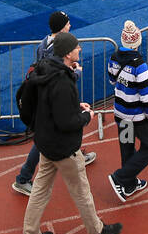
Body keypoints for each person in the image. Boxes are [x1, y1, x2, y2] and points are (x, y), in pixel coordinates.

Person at [20, 32, 122, 234]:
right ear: (68, 53)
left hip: (44, 142)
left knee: (39, 189)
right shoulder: (63, 82)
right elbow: (66, 122)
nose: (80, 50)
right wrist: (86, 116)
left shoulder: (45, 70)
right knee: (82, 192)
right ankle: (97, 232)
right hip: (63, 148)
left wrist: (76, 106)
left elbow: (52, 107)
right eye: (77, 48)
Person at [13, 11, 95, 195]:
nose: (70, 25)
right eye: (67, 23)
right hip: (54, 96)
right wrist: (77, 73)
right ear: (62, 26)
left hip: (47, 94)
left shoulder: (44, 42)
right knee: (45, 138)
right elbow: (58, 76)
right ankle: (23, 177)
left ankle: (78, 154)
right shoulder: (56, 50)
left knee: (61, 125)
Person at [107, 20, 148, 201]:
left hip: (120, 113)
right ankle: (120, 177)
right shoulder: (139, 65)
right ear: (138, 42)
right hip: (136, 117)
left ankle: (129, 185)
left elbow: (112, 81)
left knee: (126, 147)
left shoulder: (113, 57)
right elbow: (145, 96)